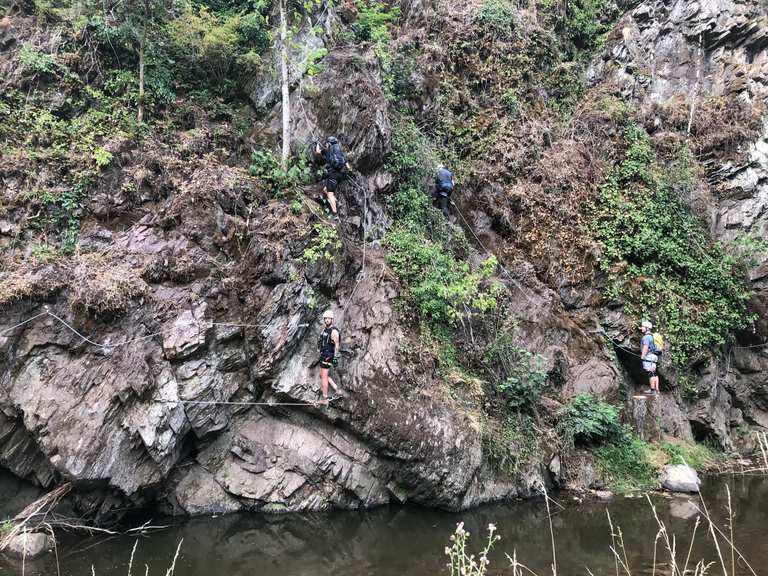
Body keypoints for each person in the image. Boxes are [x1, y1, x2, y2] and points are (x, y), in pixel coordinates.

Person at [315, 137, 350, 217]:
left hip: (333, 175)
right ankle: (336, 202)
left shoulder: (327, 151)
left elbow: (317, 152)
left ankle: (335, 213)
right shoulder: (340, 152)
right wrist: (349, 172)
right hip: (341, 174)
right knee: (325, 190)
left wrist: (317, 143)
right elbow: (347, 165)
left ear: (329, 144)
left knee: (330, 194)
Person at [317, 309, 341, 405]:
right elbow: (322, 339)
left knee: (323, 377)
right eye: (325, 318)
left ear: (332, 319)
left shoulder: (334, 331)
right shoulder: (325, 329)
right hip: (324, 355)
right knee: (322, 375)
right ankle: (337, 390)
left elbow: (337, 345)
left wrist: (335, 358)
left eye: (328, 318)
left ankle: (325, 398)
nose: (327, 320)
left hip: (328, 356)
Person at [640, 320, 660, 395]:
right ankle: (656, 389)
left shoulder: (646, 337)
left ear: (647, 328)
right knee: (654, 372)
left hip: (649, 357)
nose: (641, 328)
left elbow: (646, 347)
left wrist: (642, 356)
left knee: (650, 373)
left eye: (642, 327)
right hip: (654, 356)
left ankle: (652, 390)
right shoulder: (651, 336)